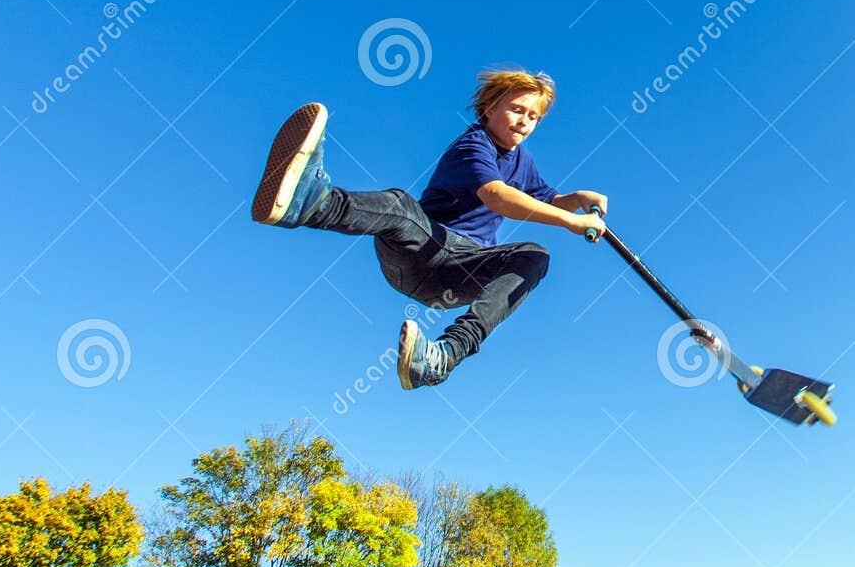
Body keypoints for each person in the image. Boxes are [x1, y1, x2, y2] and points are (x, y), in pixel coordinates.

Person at [250, 69, 609, 389]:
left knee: (534, 256)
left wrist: (575, 198)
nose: (524, 122)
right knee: (401, 207)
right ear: (488, 109)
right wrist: (573, 221)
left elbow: (545, 198)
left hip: (457, 274)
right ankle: (311, 203)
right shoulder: (474, 145)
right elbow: (497, 197)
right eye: (516, 110)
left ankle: (441, 357)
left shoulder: (522, 161)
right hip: (422, 252)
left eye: (533, 117)